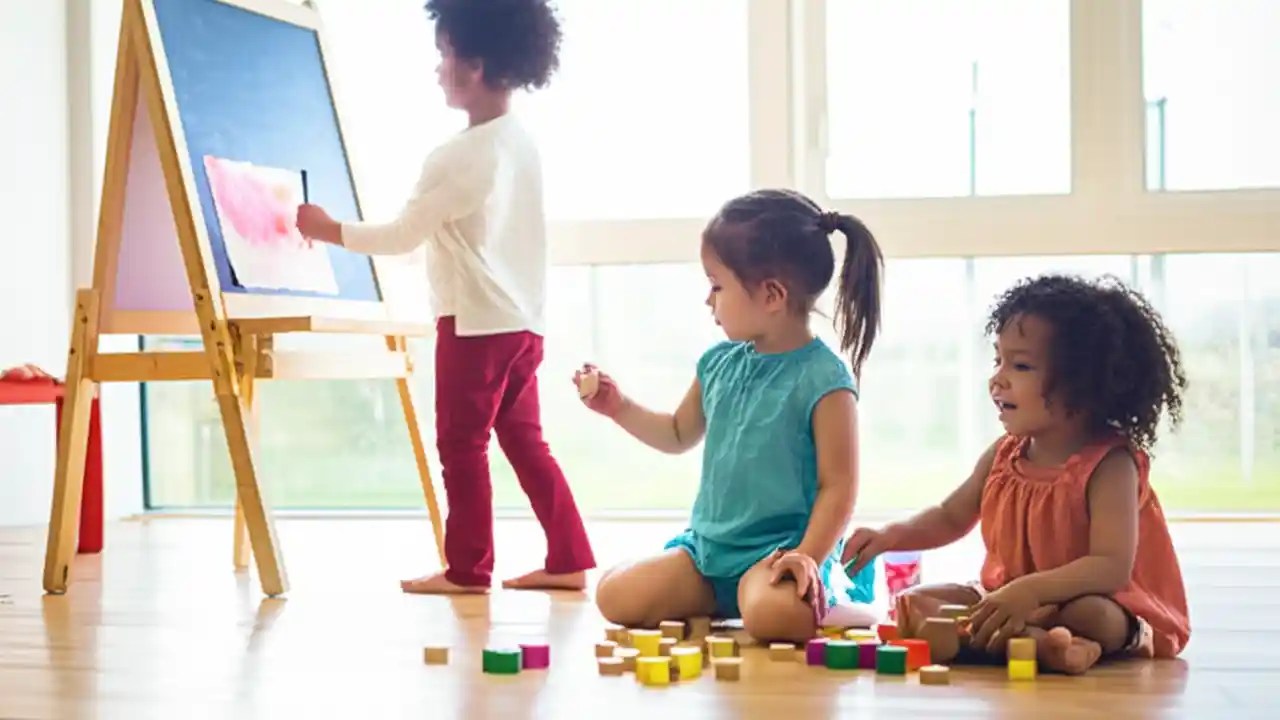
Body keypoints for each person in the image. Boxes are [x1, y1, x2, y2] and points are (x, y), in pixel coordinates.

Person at [297, 0, 595, 594]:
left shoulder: (458, 156)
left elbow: (403, 234)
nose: (439, 69)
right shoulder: (520, 144)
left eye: (445, 55)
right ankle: (568, 558)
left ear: (476, 65)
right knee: (524, 440)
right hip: (522, 325)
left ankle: (468, 570)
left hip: (475, 326)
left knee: (462, 445)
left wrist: (327, 229)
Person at [843, 274, 1191, 674]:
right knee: (916, 602)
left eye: (1021, 365)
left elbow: (1110, 566)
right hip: (1007, 596)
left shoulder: (1110, 466)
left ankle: (1019, 638)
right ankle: (1041, 645)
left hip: (1093, 598)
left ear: (1083, 383)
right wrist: (892, 536)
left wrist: (1030, 591)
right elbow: (950, 515)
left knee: (1093, 616)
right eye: (998, 360)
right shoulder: (1005, 455)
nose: (998, 378)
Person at [578, 189, 885, 643]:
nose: (709, 301)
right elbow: (677, 433)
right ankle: (731, 596)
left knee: (774, 621)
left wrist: (807, 556)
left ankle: (831, 594)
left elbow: (838, 486)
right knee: (613, 596)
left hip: (777, 555)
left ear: (772, 295)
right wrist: (618, 407)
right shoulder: (719, 363)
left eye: (717, 286)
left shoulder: (825, 380)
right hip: (707, 554)